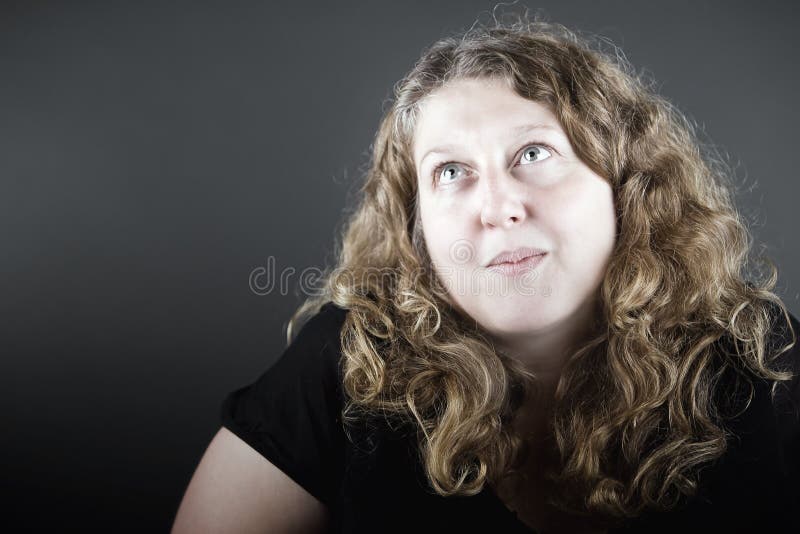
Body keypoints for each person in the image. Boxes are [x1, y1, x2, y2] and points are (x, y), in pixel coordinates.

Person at [171, 14, 799, 534]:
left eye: (533, 154)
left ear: (625, 185)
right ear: (419, 228)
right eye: (451, 171)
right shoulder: (348, 361)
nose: (498, 207)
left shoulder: (762, 360)